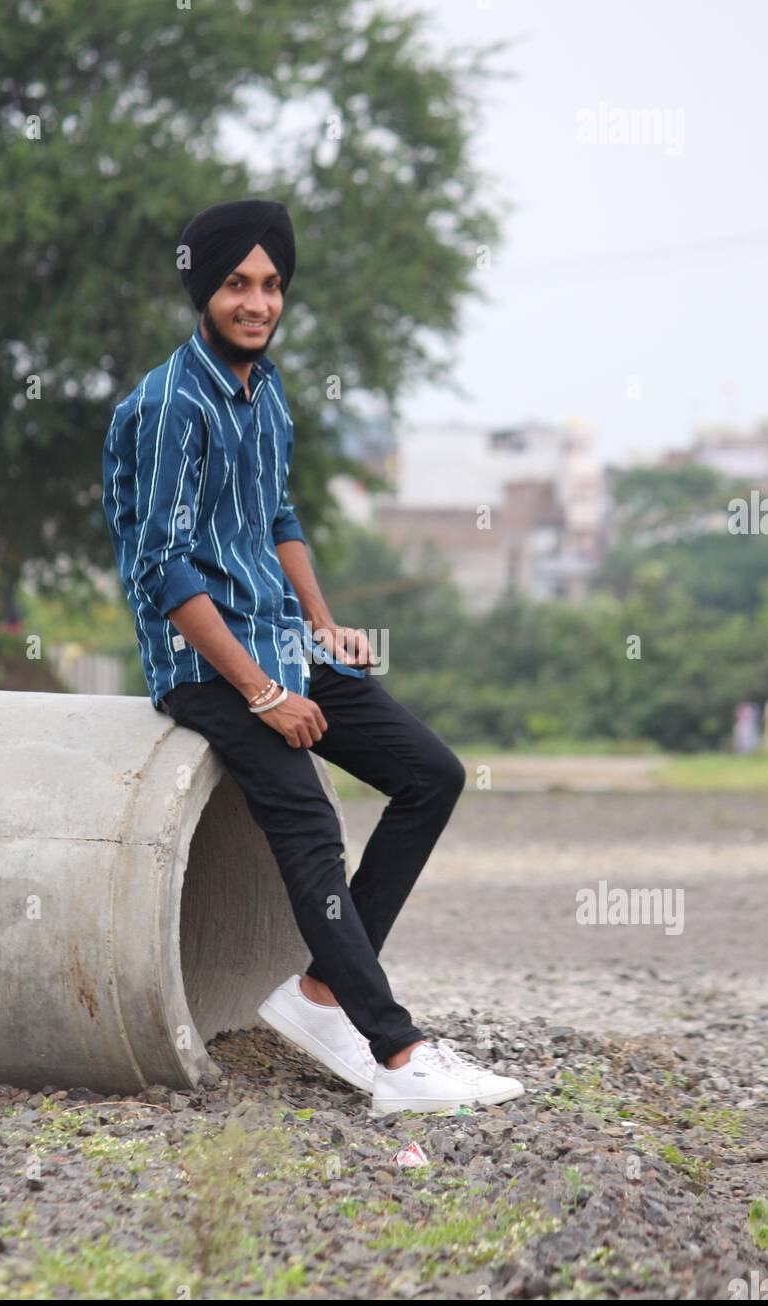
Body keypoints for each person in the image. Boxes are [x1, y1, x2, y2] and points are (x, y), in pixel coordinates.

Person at [101, 198, 524, 1115]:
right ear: (203, 291)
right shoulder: (174, 404)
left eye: (270, 285)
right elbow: (163, 566)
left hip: (280, 638)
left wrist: (322, 626)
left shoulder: (268, 384)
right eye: (237, 285)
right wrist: (260, 693)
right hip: (205, 663)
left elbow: (277, 516)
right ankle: (399, 1054)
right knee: (309, 825)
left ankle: (320, 992)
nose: (257, 302)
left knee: (430, 774)